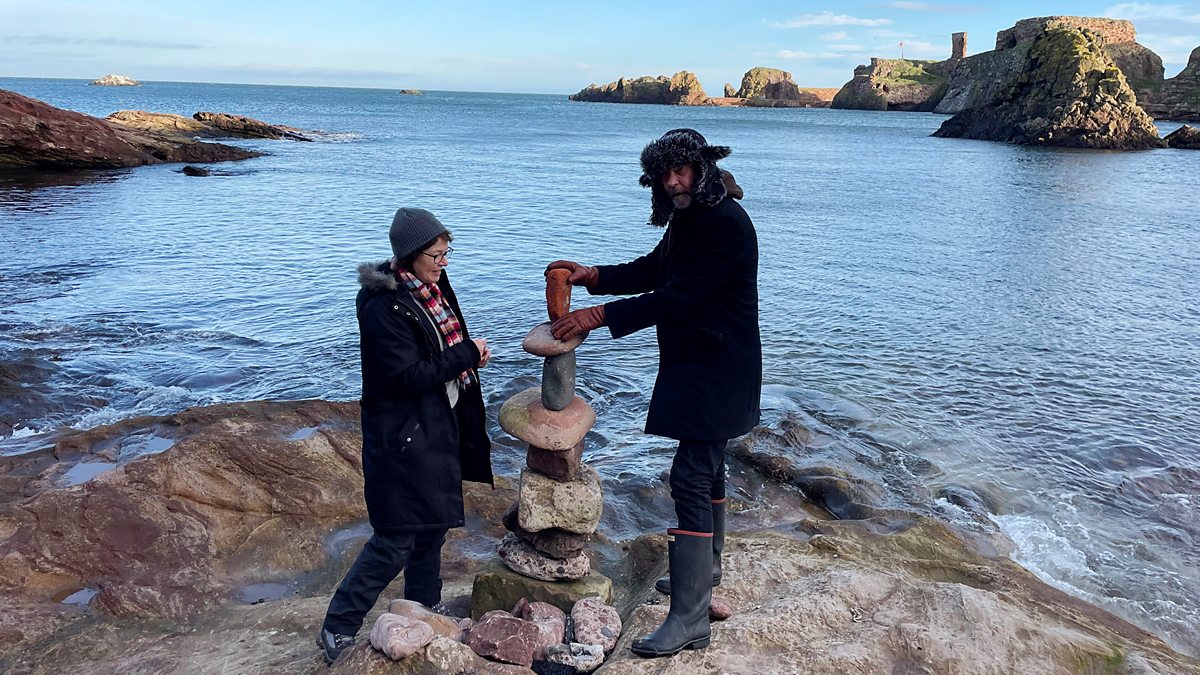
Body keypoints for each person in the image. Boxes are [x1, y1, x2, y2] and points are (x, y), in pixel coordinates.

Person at [547, 128, 761, 658]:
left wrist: (597, 316)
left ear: (703, 166)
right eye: (663, 175)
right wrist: (594, 276)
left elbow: (679, 296)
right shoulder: (692, 218)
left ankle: (690, 617)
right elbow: (656, 268)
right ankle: (705, 572)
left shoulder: (725, 224)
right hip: (703, 364)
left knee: (689, 475)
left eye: (681, 170)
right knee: (707, 469)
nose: (673, 182)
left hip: (718, 368)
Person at [318, 207, 493, 665]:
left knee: (432, 526)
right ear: (411, 255)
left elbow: (440, 349)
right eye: (437, 254)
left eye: (447, 252)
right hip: (402, 435)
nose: (444, 262)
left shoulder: (429, 286)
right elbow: (405, 376)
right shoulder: (384, 306)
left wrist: (465, 356)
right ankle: (338, 625)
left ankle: (423, 607)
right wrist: (465, 355)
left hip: (434, 425)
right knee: (395, 536)